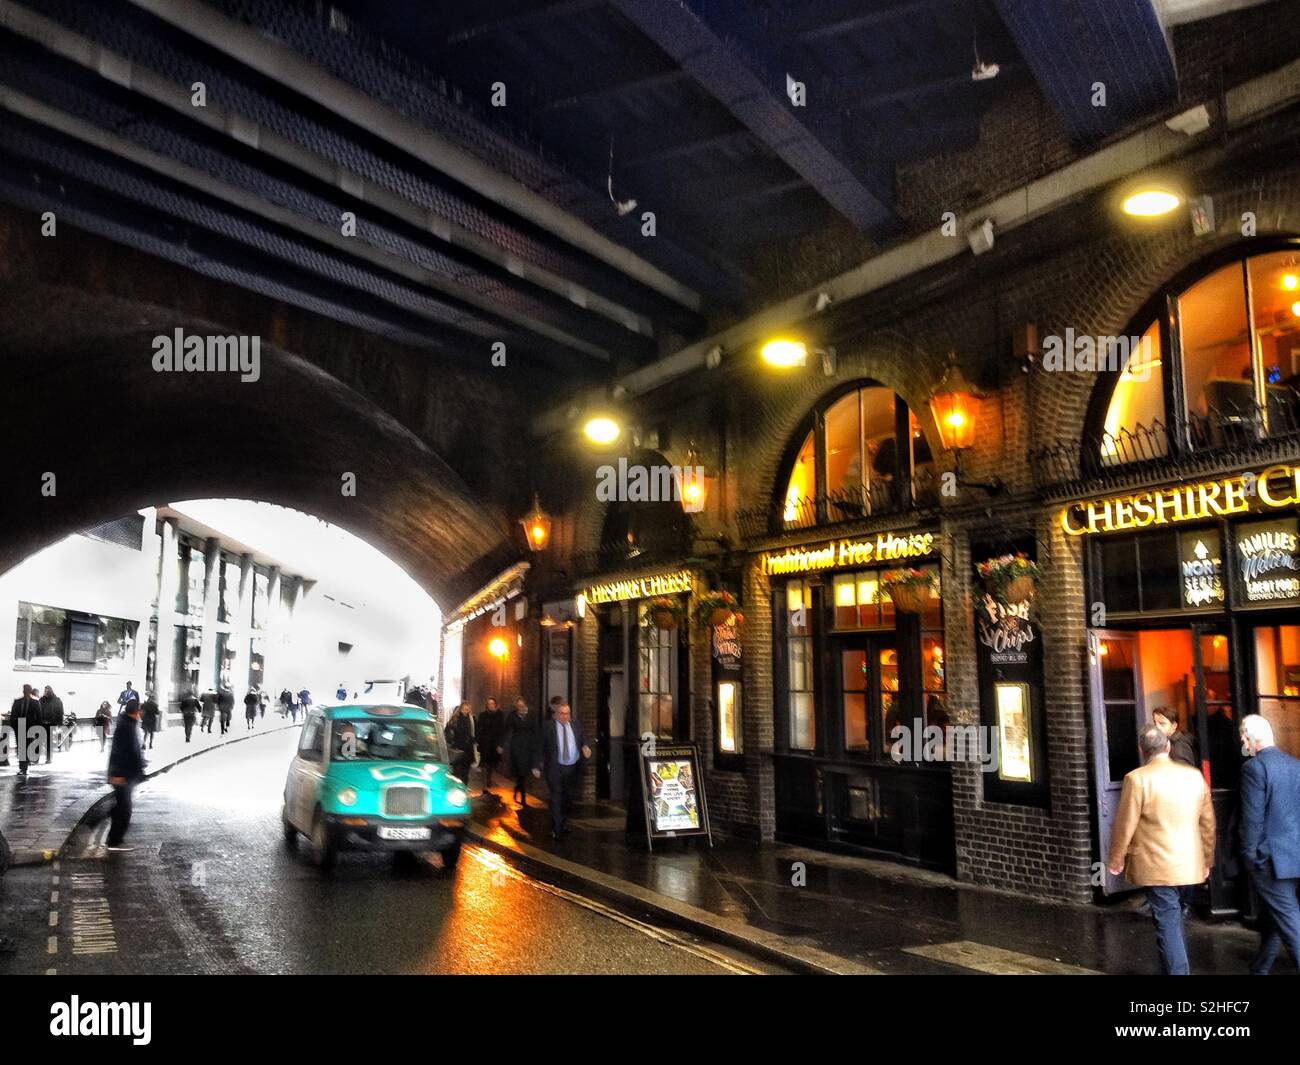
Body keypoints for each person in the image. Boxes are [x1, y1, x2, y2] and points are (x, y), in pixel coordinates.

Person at [1107, 723, 1216, 975]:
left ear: (1142, 749)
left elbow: (1125, 824)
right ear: (1167, 746)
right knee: (1173, 918)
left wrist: (1116, 859)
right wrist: (1207, 860)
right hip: (1189, 863)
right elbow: (1208, 824)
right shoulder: (1194, 776)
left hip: (1156, 865)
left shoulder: (1136, 779)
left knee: (1167, 921)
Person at [1239, 714, 1300, 975]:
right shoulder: (1295, 765)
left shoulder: (1253, 768)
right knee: (1276, 915)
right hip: (1294, 855)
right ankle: (1260, 969)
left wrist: (1249, 857)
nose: (1243, 744)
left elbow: (1252, 819)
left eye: (1243, 739)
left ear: (1251, 738)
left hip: (1271, 860)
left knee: (1289, 921)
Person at [533, 702, 592, 840]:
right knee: (556, 796)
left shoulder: (576, 725)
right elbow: (540, 746)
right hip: (555, 768)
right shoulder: (548, 727)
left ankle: (563, 822)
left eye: (567, 713)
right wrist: (536, 766)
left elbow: (584, 739)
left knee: (568, 798)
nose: (565, 716)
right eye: (562, 713)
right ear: (556, 714)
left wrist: (586, 746)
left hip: (572, 767)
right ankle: (556, 828)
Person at [106, 700, 147, 852]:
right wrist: (117, 774)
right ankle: (115, 841)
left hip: (125, 774)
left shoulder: (129, 724)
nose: (142, 713)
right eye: (140, 710)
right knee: (124, 809)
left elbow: (134, 751)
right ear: (136, 711)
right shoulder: (126, 726)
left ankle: (114, 838)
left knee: (122, 806)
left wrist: (140, 768)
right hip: (121, 775)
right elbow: (120, 752)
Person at [501, 697, 539, 808]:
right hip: (517, 746)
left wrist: (537, 745)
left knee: (524, 772)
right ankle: (523, 798)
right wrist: (501, 744)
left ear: (525, 705)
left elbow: (536, 730)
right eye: (518, 706)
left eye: (522, 706)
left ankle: (518, 788)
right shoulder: (512, 715)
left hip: (528, 746)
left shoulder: (531, 715)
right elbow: (506, 729)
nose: (520, 708)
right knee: (520, 770)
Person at [9, 684, 40, 777]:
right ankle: (23, 767)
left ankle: (24, 766)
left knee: (26, 747)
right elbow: (13, 715)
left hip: (30, 727)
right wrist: (14, 725)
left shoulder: (35, 702)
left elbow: (39, 716)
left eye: (27, 689)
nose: (25, 691)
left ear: (30, 691)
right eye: (25, 689)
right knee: (21, 747)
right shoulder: (17, 702)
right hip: (19, 726)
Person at [444, 702, 476, 788]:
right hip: (457, 749)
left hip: (467, 750)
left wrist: (474, 741)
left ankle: (463, 788)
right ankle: (457, 788)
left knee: (465, 772)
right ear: (460, 709)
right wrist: (452, 743)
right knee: (457, 772)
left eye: (468, 709)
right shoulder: (455, 719)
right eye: (464, 709)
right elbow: (448, 732)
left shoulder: (471, 719)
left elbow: (473, 733)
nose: (466, 710)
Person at [476, 697, 504, 795]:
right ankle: (484, 786)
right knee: (485, 764)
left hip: (495, 744)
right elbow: (479, 729)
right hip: (485, 743)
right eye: (489, 704)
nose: (491, 705)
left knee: (492, 764)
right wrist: (478, 742)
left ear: (495, 705)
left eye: (492, 703)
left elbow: (502, 730)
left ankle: (488, 778)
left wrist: (501, 744)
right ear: (487, 705)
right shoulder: (483, 715)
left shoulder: (499, 715)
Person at [40, 685, 64, 764]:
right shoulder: (42, 700)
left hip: (51, 723)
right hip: (43, 723)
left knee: (48, 741)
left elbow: (60, 712)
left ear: (51, 691)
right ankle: (45, 757)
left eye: (48, 691)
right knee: (42, 740)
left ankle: (48, 758)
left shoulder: (56, 700)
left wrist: (59, 723)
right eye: (45, 691)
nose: (46, 692)